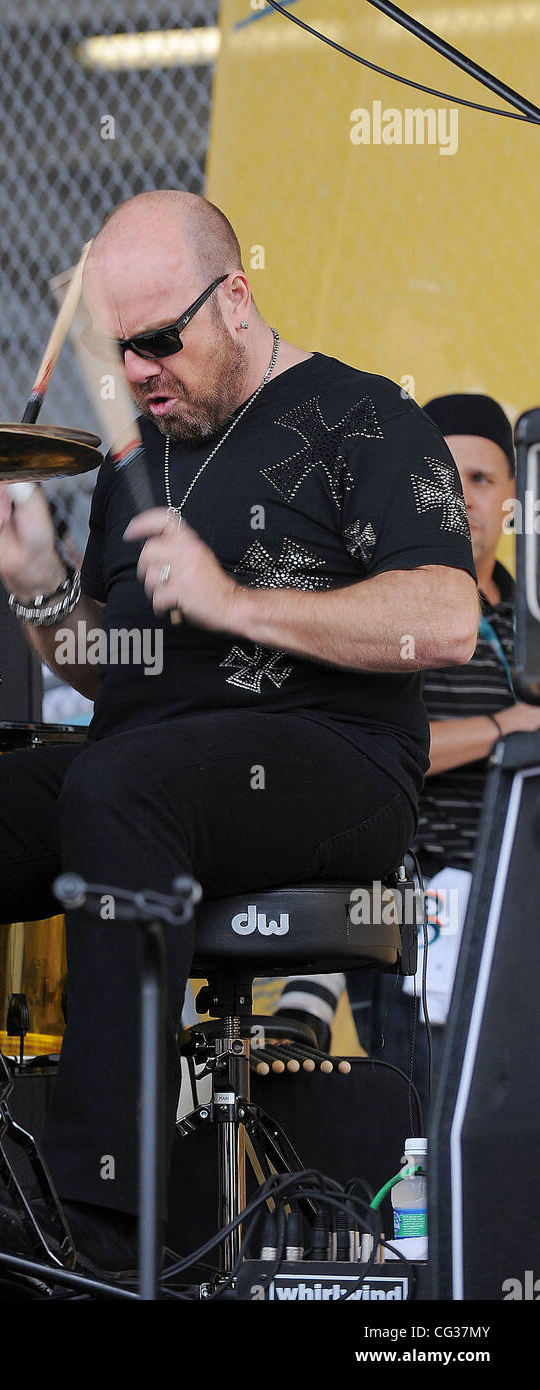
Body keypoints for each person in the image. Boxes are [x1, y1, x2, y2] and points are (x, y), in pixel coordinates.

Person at [0, 189, 478, 1273]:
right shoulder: (134, 453)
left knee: (121, 787)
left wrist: (232, 600)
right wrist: (36, 581)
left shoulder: (365, 417)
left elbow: (446, 618)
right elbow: (107, 666)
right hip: (147, 766)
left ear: (233, 298)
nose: (138, 369)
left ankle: (104, 1229)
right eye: (118, 345)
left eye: (158, 339)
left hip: (334, 763)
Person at [277, 393, 528, 1119]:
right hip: (417, 913)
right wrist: (507, 727)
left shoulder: (528, 618)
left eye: (480, 480)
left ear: (511, 501)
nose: (461, 498)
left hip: (517, 903)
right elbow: (374, 756)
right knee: (429, 1130)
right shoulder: (380, 612)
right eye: (441, 478)